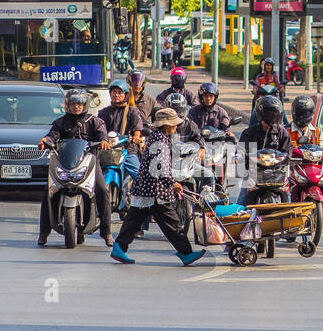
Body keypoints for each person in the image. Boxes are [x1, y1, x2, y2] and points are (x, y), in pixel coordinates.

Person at [109, 108, 206, 267]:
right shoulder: (160, 140)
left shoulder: (157, 137)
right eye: (173, 125)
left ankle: (119, 246)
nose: (175, 127)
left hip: (146, 187)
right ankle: (186, 253)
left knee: (134, 220)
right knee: (172, 223)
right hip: (155, 189)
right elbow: (159, 167)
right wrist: (173, 183)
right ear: (166, 125)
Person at [35, 87, 113, 247]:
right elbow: (52, 135)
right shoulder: (60, 122)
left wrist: (104, 141)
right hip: (64, 164)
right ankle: (44, 232)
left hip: (88, 163)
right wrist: (45, 140)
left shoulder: (94, 121)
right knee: (48, 191)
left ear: (85, 105)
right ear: (67, 105)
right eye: (73, 104)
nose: (76, 106)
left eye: (79, 103)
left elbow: (102, 135)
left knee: (102, 190)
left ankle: (107, 232)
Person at [237, 94, 292, 207]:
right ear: (261, 113)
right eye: (270, 112)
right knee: (241, 203)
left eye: (276, 112)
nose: (273, 115)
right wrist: (240, 156)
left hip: (278, 174)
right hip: (254, 174)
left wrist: (289, 157)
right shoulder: (249, 133)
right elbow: (241, 150)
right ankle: (241, 221)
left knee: (288, 201)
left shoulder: (282, 133)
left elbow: (288, 151)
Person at [289, 94, 323, 226]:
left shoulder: (317, 132)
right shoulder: (286, 130)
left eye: (306, 113)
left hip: (313, 167)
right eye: (301, 113)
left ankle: (322, 210)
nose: (303, 116)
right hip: (292, 168)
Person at [97, 78, 144, 180]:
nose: (116, 95)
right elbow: (98, 128)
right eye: (114, 92)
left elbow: (138, 128)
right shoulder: (103, 112)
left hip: (127, 150)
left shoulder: (132, 111)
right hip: (107, 151)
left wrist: (136, 137)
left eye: (120, 92)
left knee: (139, 176)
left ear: (126, 95)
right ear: (110, 93)